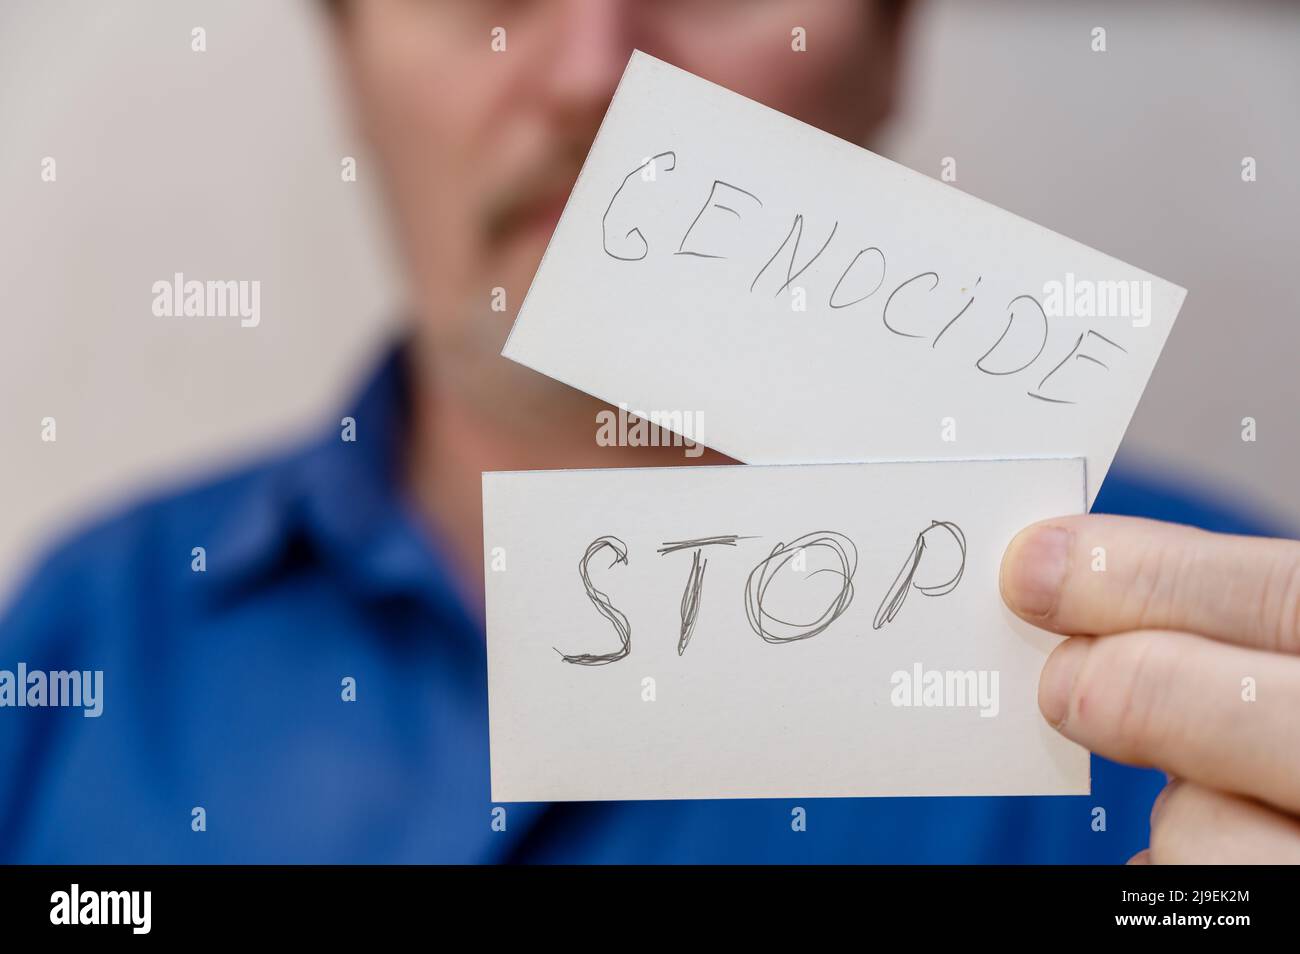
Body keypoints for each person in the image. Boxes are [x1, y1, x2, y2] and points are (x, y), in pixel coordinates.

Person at [1, 0, 1295, 863]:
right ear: (345, 60)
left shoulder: (1232, 676)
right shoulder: (82, 640)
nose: (590, 72)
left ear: (896, 44)